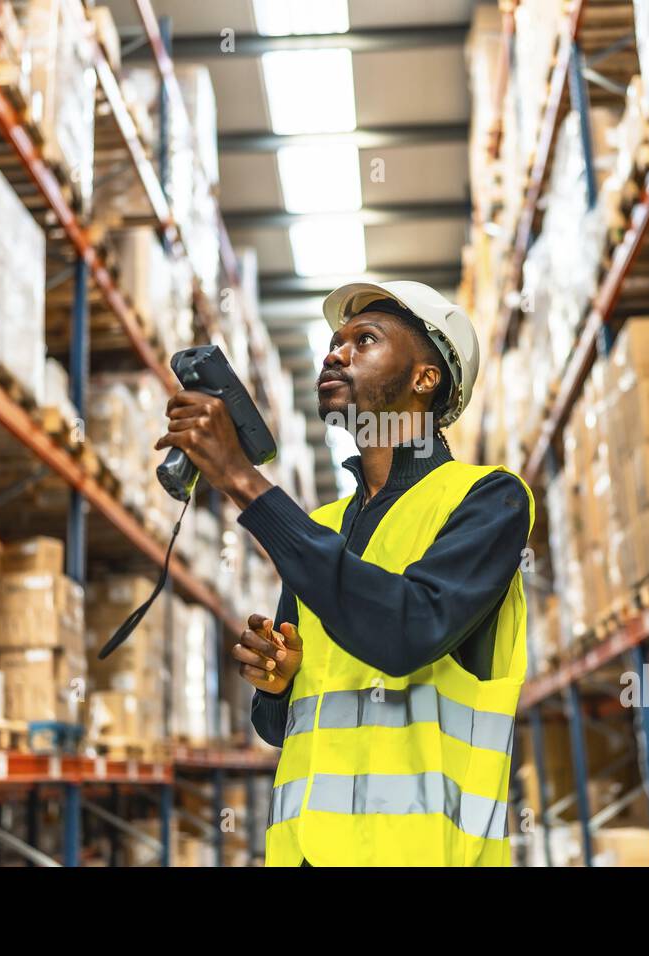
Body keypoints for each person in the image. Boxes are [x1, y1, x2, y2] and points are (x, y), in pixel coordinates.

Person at [156, 280, 533, 866]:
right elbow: (280, 729)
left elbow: (408, 631)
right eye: (334, 342)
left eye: (366, 340)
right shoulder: (322, 527)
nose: (336, 353)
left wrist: (243, 480)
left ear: (424, 378)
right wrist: (278, 683)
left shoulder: (488, 500)